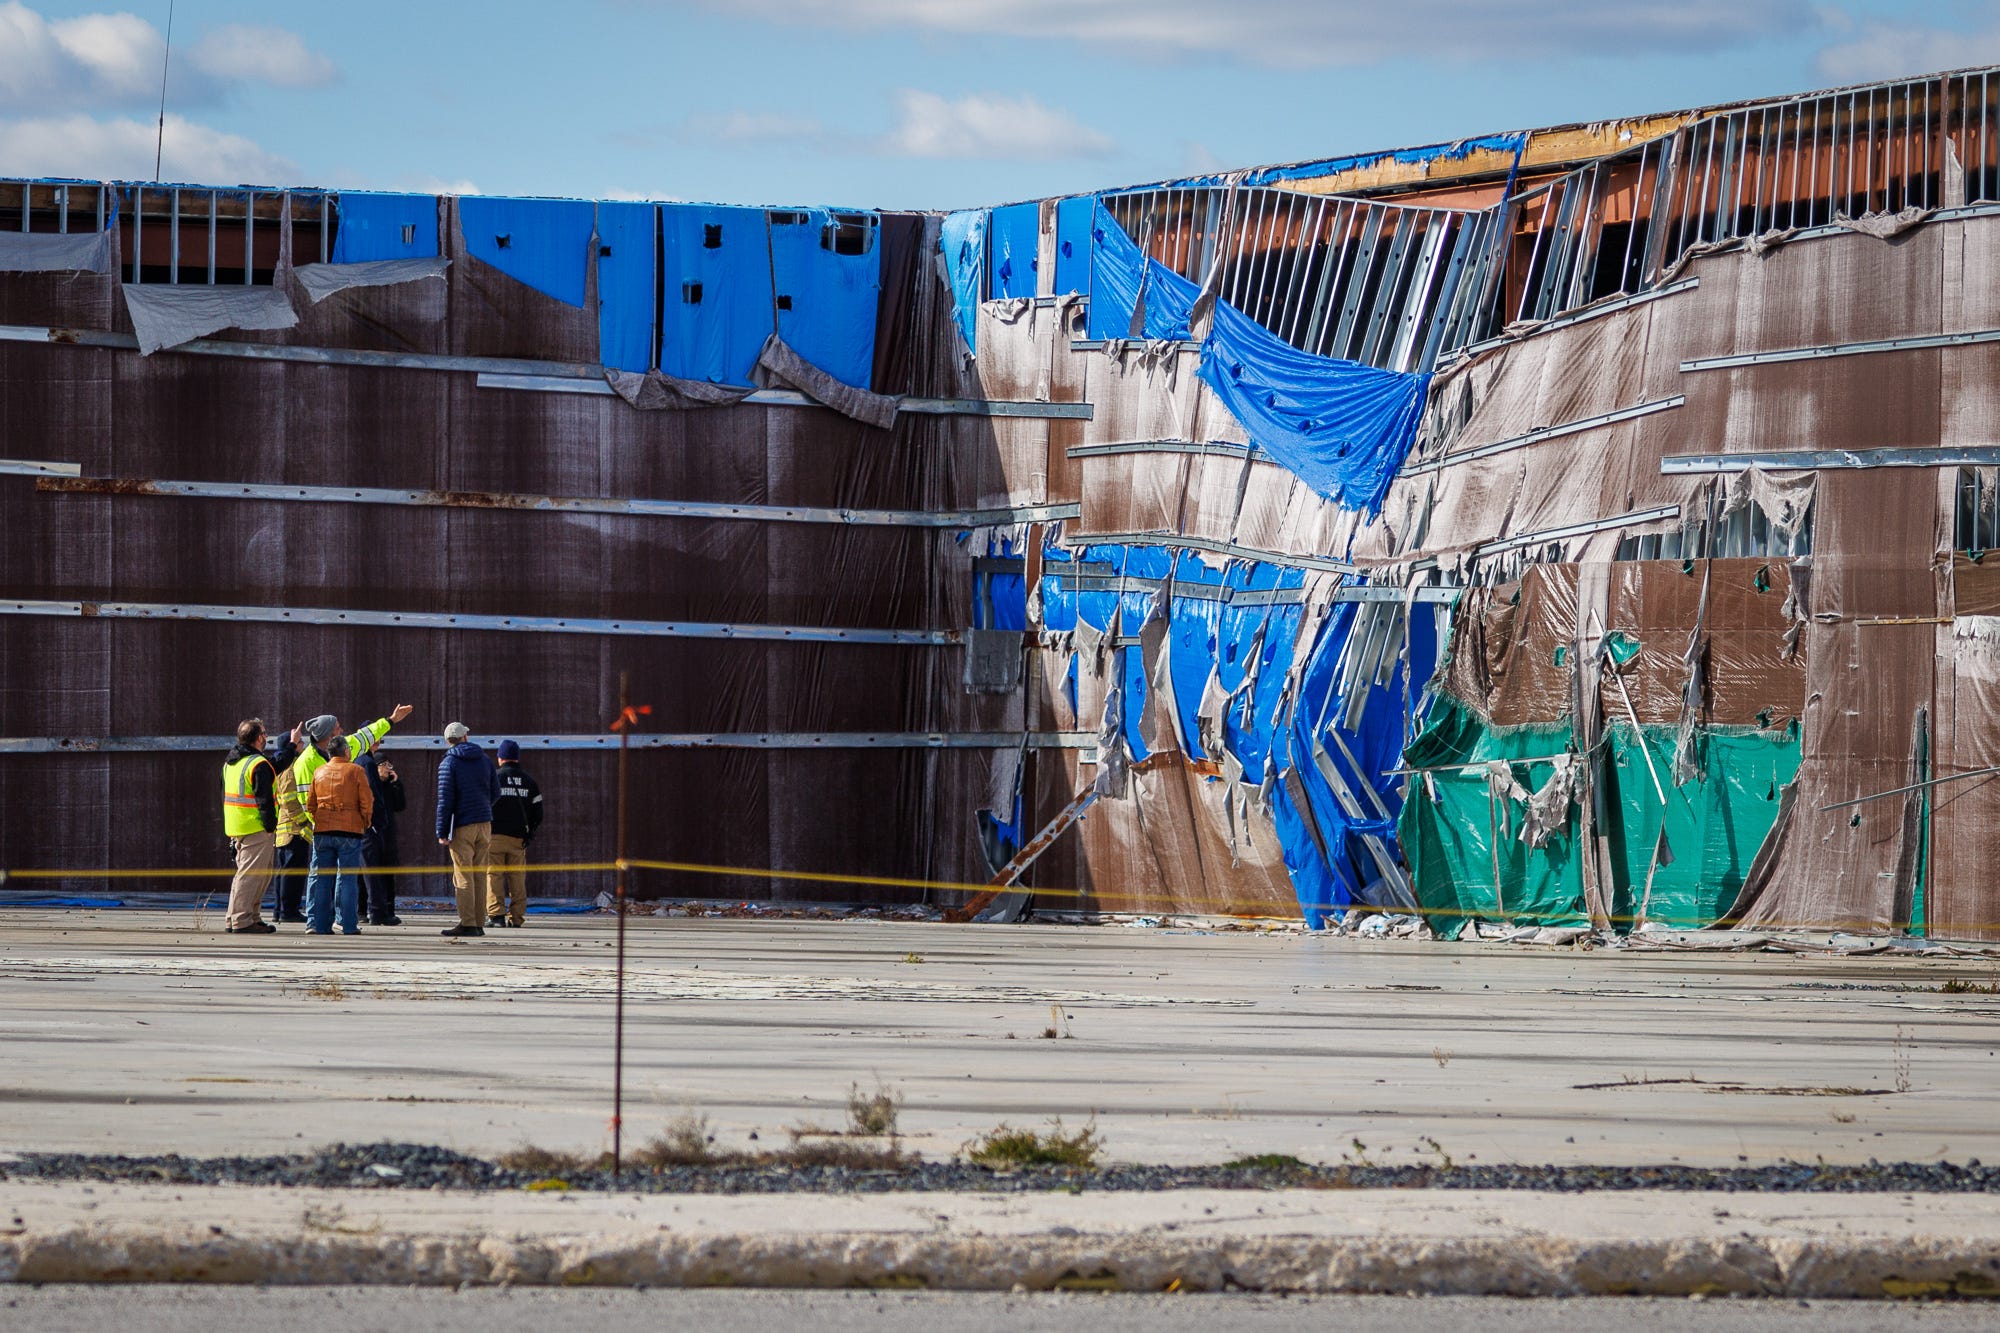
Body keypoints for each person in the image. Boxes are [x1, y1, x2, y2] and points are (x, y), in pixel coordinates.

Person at [278, 705, 416, 909]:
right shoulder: (307, 762)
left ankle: (337, 918)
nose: (342, 730)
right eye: (338, 727)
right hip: (325, 830)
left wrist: (391, 720)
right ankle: (321, 917)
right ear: (328, 734)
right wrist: (322, 827)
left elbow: (365, 736)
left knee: (340, 877)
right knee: (324, 877)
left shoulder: (339, 748)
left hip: (340, 829)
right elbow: (307, 801)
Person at [303, 736, 373, 936]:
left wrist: (321, 818)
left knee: (320, 877)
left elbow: (311, 804)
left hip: (323, 830)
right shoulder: (356, 771)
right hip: (350, 830)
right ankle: (348, 924)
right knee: (348, 878)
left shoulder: (319, 771)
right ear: (346, 752)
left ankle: (316, 924)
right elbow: (366, 801)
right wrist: (364, 821)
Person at [436, 722, 498, 938]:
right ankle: (480, 922)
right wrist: (483, 807)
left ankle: (468, 922)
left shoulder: (449, 763)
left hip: (462, 825)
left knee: (463, 874)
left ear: (448, 741)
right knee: (480, 874)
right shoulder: (484, 760)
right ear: (465, 737)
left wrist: (442, 831)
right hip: (485, 823)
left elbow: (445, 801)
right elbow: (496, 792)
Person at [219, 718, 280, 934]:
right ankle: (241, 920)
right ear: (258, 737)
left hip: (238, 826)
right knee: (251, 876)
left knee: (256, 875)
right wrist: (271, 825)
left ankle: (247, 917)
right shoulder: (257, 764)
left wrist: (289, 748)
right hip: (256, 827)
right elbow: (264, 800)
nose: (266, 737)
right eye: (264, 733)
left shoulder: (231, 763)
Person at [486, 740, 543, 928]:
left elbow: (482, 806)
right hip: (519, 839)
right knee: (517, 878)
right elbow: (538, 813)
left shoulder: (492, 778)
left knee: (494, 876)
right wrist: (529, 833)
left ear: (500, 757)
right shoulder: (529, 781)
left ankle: (496, 917)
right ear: (517, 758)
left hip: (493, 837)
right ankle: (517, 917)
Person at [358, 749, 407, 926]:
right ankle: (363, 910)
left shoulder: (390, 785)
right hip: (371, 831)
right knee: (367, 873)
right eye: (384, 765)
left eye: (389, 765)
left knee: (387, 870)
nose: (388, 768)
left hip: (388, 832)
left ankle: (388, 908)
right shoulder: (371, 785)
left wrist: (396, 784)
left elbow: (400, 805)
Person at [269, 722, 310, 922]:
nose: (303, 744)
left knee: (285, 872)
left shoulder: (287, 765)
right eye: (300, 742)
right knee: (292, 872)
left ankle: (281, 910)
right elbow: (288, 798)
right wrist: (304, 823)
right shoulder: (289, 768)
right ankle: (288, 911)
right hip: (293, 830)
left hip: (287, 830)